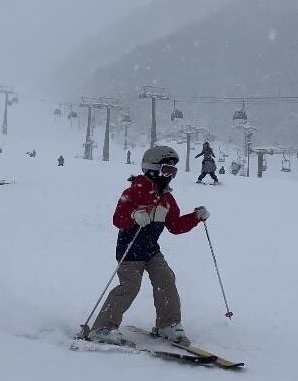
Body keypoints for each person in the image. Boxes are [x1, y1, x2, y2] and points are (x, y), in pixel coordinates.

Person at [86, 146, 210, 346]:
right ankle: (103, 328)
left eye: (173, 172)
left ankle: (168, 325)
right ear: (152, 168)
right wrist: (134, 214)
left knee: (166, 279)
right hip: (130, 248)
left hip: (151, 250)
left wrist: (196, 217)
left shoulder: (167, 199)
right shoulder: (134, 191)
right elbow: (118, 219)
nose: (170, 176)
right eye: (167, 170)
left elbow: (175, 226)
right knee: (130, 286)